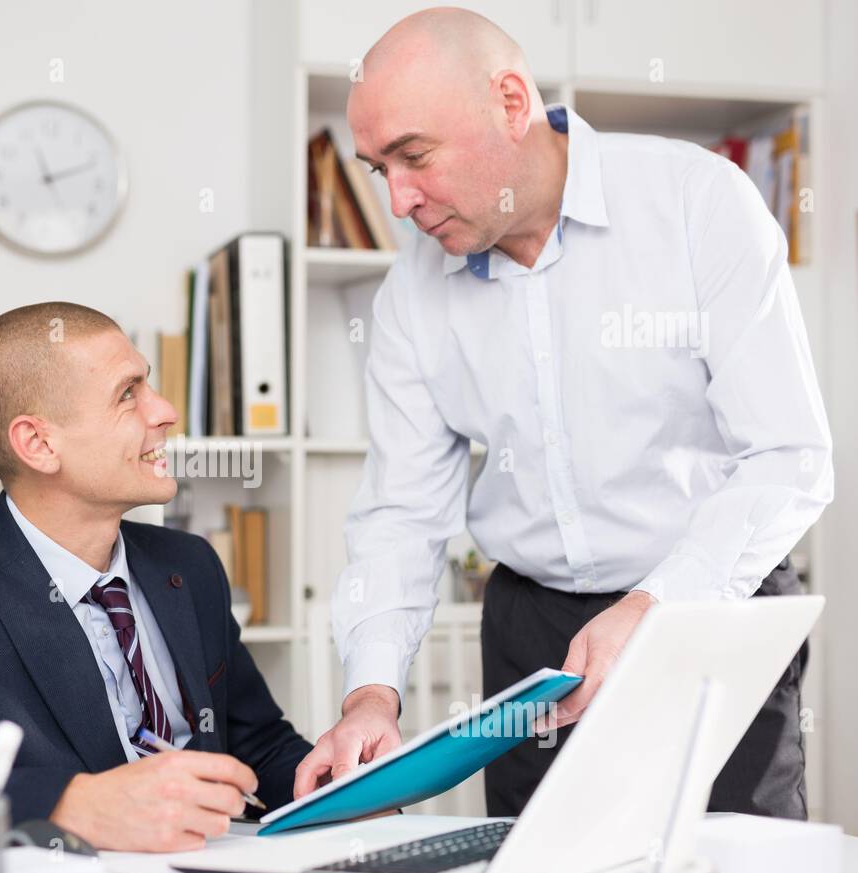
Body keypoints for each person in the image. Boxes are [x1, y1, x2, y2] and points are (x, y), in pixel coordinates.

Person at [296, 8, 832, 819]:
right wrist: (371, 694)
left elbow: (790, 456)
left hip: (706, 601)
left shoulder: (694, 203)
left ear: (512, 103)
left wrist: (655, 606)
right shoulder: (413, 288)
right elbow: (402, 512)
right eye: (379, 170)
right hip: (529, 634)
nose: (400, 200)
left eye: (414, 156)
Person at [0, 302, 312, 851]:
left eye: (149, 384)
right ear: (38, 444)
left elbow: (258, 747)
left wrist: (339, 781)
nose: (164, 411)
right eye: (127, 393)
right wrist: (71, 805)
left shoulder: (188, 566)